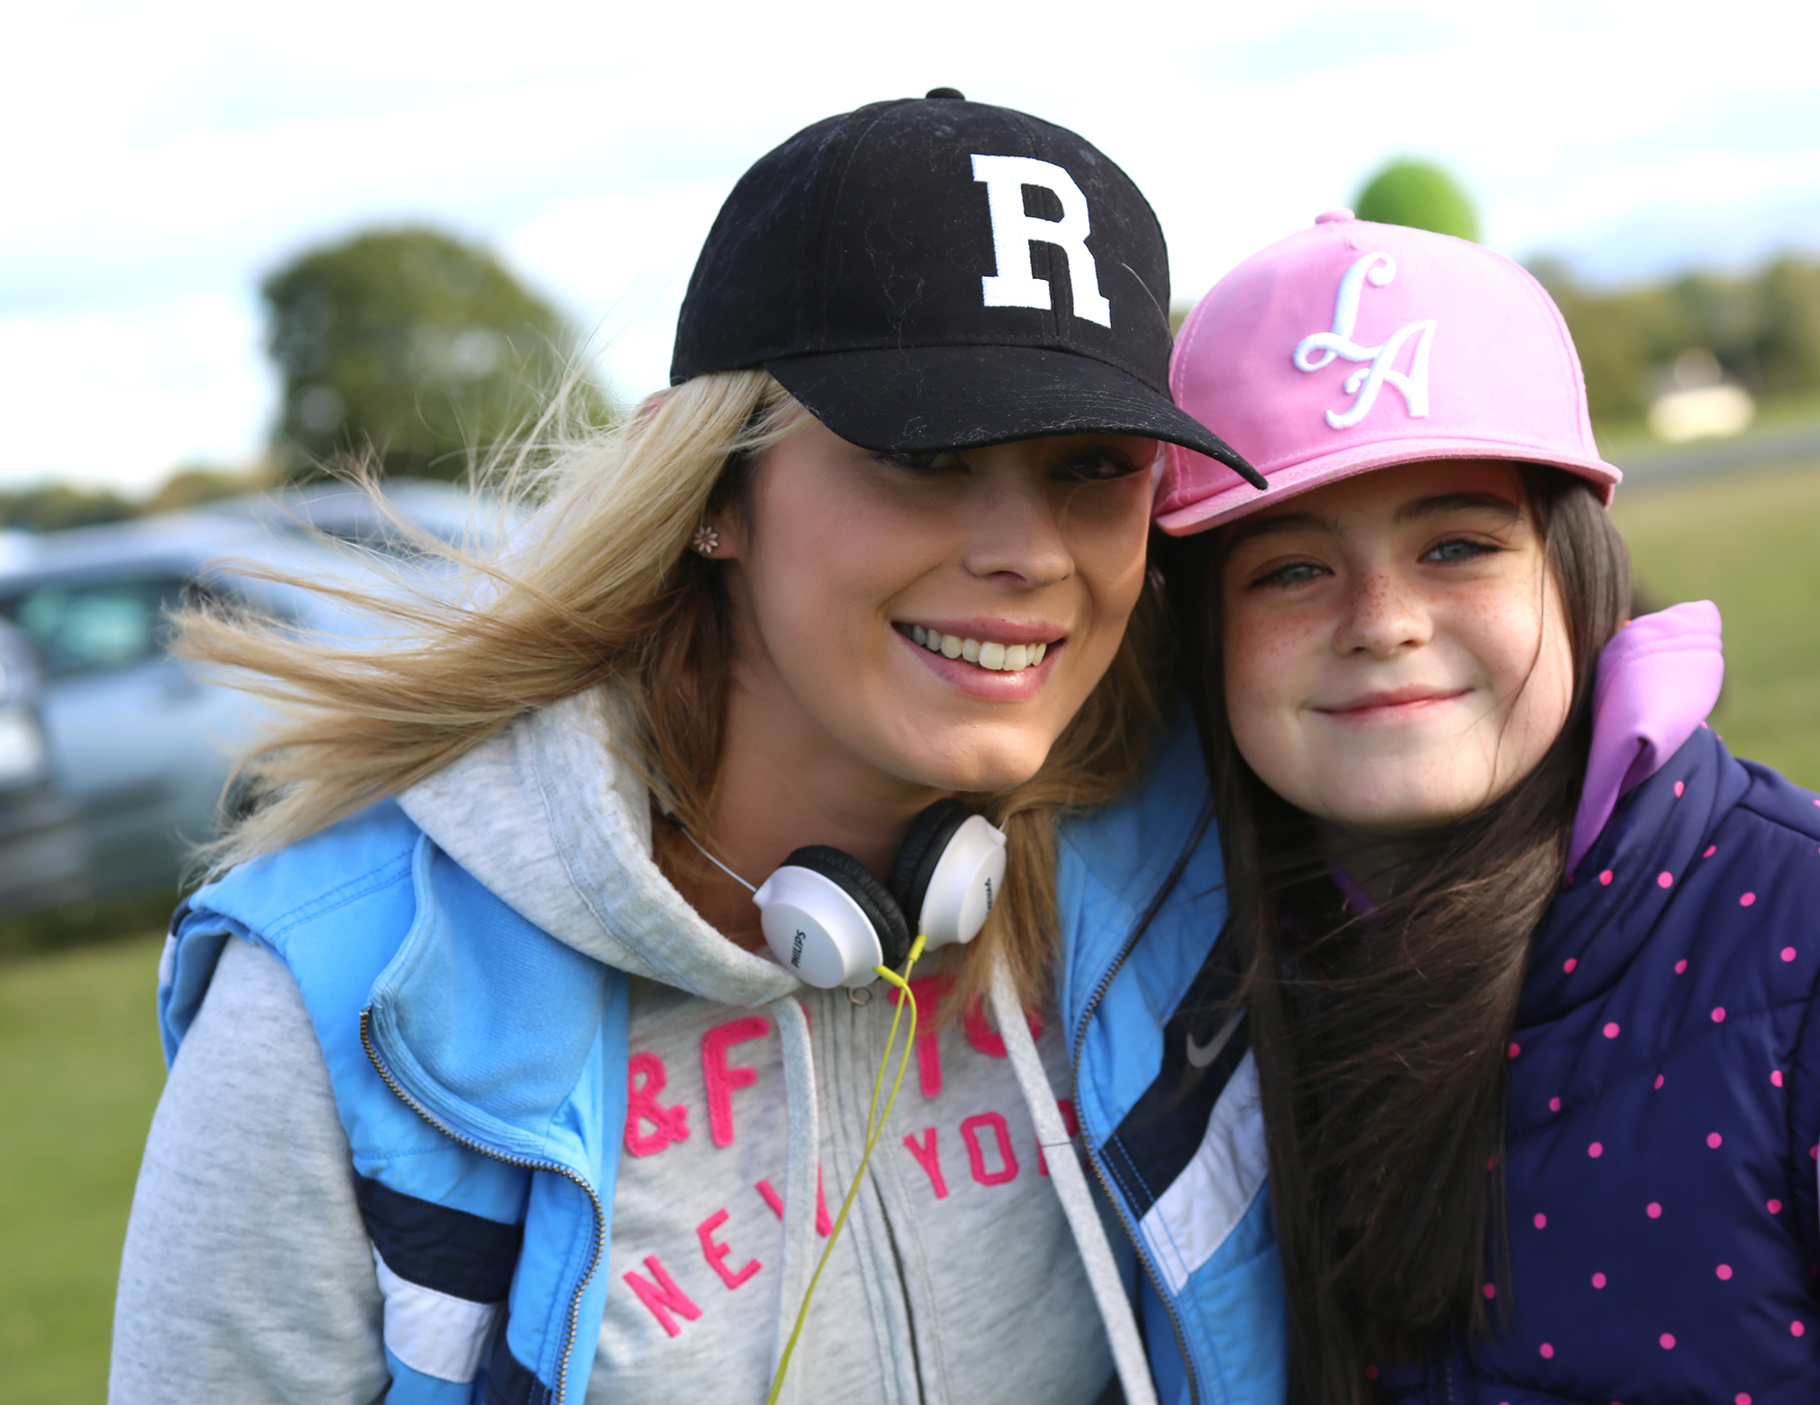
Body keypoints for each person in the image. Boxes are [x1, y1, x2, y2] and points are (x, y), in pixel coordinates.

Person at [108, 91, 1264, 1405]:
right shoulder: (337, 1007)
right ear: (714, 490)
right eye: (929, 453)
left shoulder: (1189, 861)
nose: (1030, 551)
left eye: (1093, 465)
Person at [1059, 210, 1820, 1403]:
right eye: (1291, 570)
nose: (1382, 620)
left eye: (1459, 545)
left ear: (1576, 572)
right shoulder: (1165, 994)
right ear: (1201, 628)